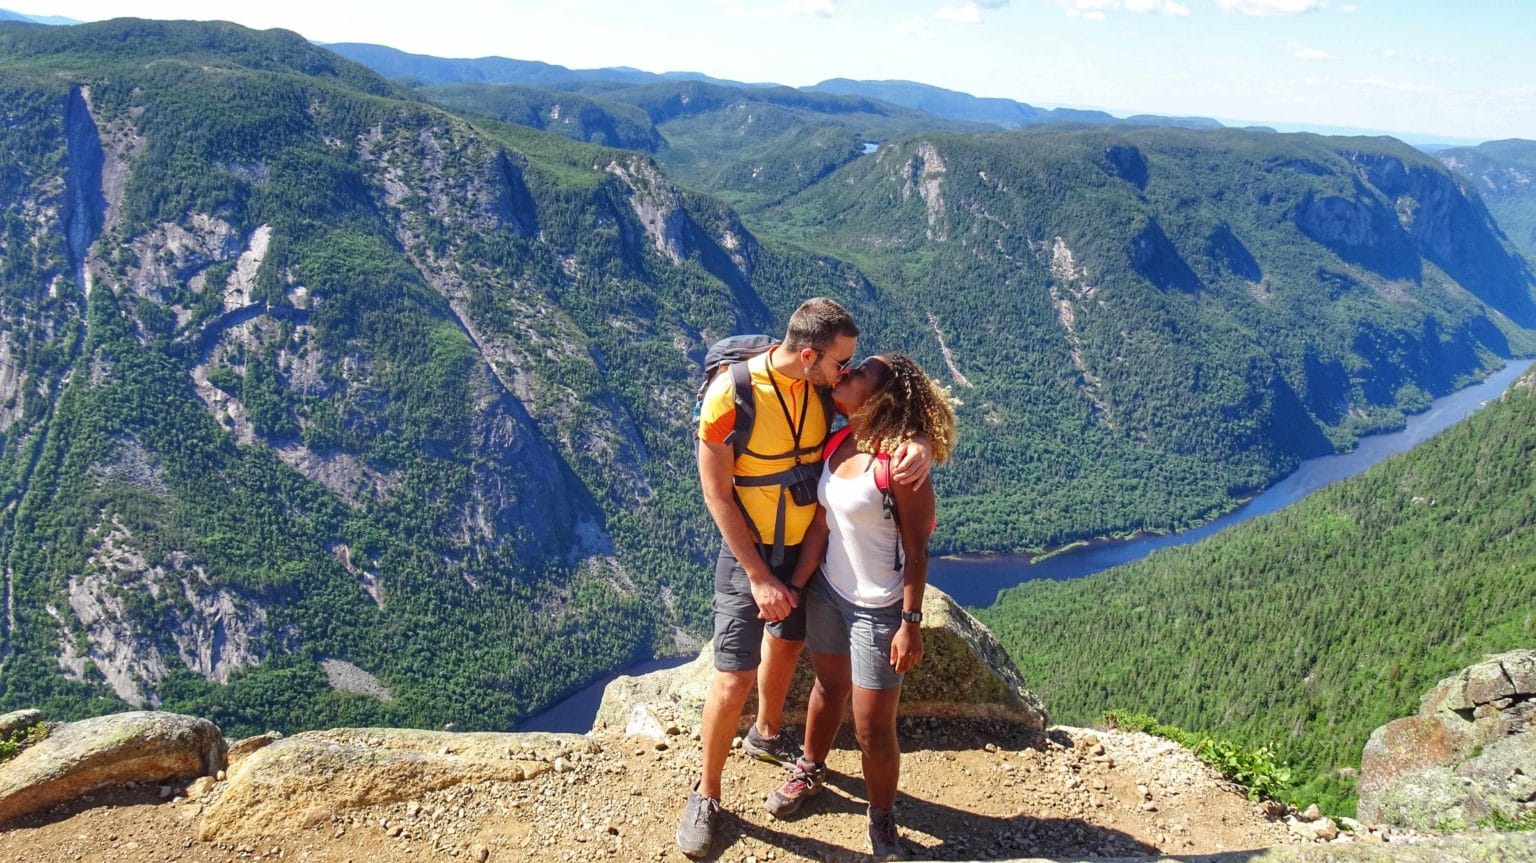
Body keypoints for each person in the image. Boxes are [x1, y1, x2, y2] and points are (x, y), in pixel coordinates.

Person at [677, 300, 932, 859]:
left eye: (850, 365)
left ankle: (768, 735)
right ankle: (707, 793)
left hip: (807, 562)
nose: (846, 371)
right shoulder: (730, 395)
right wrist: (760, 575)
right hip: (752, 554)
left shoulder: (822, 391)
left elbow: (885, 412)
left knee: (790, 646)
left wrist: (921, 446)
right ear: (811, 355)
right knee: (732, 678)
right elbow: (717, 495)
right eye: (841, 362)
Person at [762, 354, 957, 862]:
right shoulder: (838, 440)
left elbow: (917, 550)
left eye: (857, 374)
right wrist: (797, 586)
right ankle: (810, 768)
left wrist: (909, 623)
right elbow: (823, 523)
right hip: (829, 592)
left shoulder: (902, 464)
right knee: (828, 688)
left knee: (872, 726)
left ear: (883, 397)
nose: (842, 376)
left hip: (880, 608)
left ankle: (882, 814)